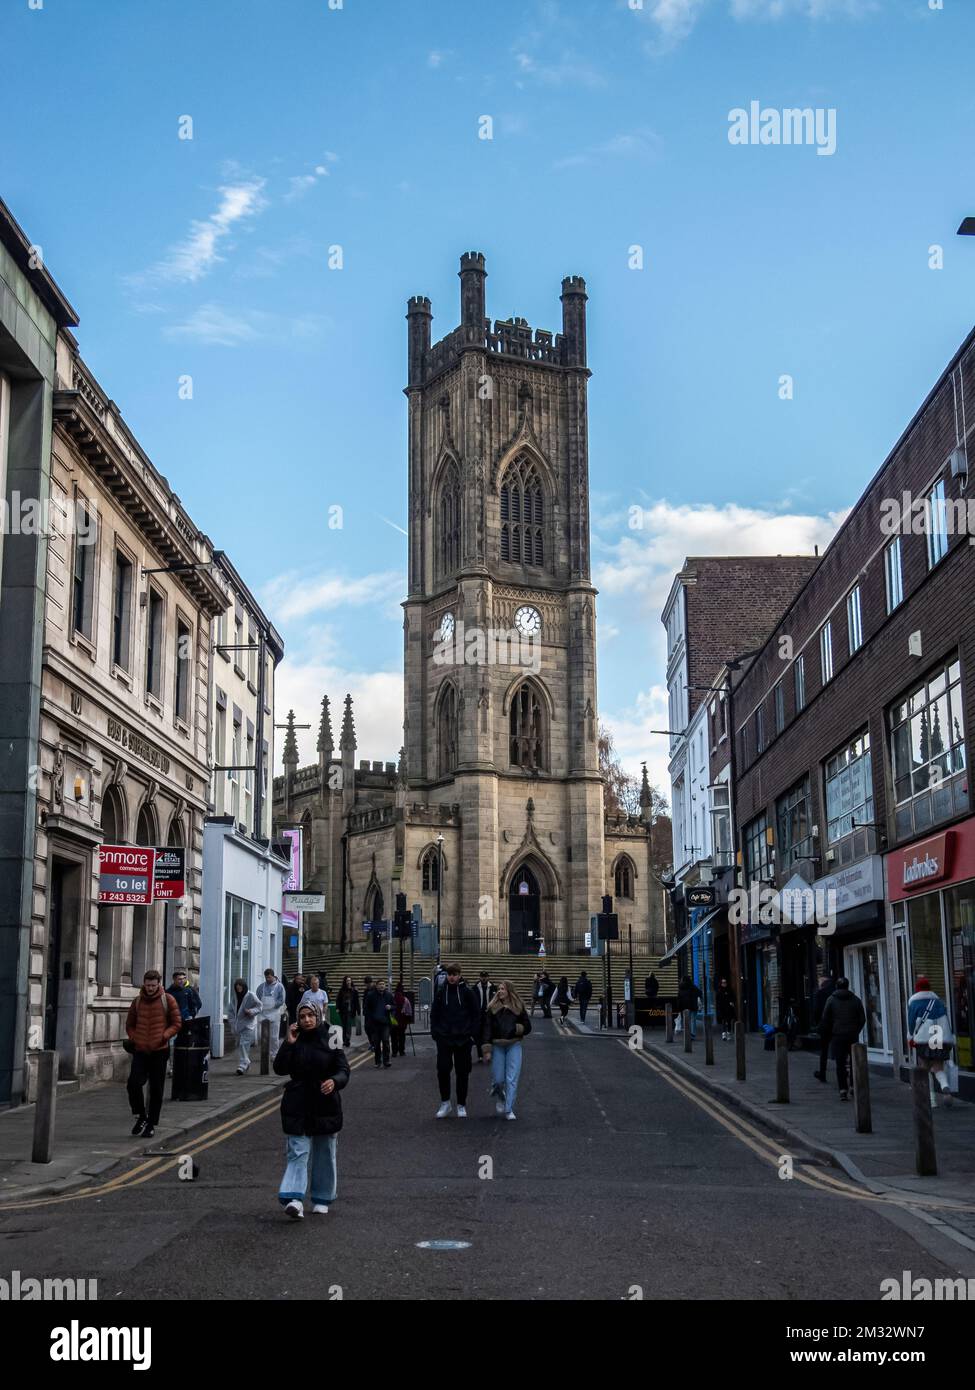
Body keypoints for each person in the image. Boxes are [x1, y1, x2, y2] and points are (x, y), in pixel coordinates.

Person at [274, 1001, 350, 1218]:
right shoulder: (294, 1037)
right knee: (297, 1151)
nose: (306, 1020)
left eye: (310, 1015)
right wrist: (288, 1044)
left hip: (325, 1102)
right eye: (303, 1016)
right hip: (297, 1102)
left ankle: (322, 1197)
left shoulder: (332, 1034)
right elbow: (279, 1068)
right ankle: (294, 1199)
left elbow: (343, 1068)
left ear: (318, 1015)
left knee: (325, 1152)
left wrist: (335, 1081)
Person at [125, 969, 182, 1139]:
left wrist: (164, 1036)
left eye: (153, 985)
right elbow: (130, 1024)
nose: (150, 988)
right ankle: (141, 1116)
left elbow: (177, 1023)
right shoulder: (137, 1002)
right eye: (147, 985)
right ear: (144, 984)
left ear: (159, 984)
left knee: (157, 1089)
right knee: (133, 1084)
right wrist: (134, 1037)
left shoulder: (168, 999)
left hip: (160, 1051)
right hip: (141, 1050)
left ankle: (151, 1124)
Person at [431, 963, 480, 1118]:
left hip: (463, 1038)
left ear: (460, 975)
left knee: (462, 1072)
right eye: (449, 974)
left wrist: (472, 1034)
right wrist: (435, 1033)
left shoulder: (468, 992)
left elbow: (476, 1014)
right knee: (443, 1070)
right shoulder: (440, 992)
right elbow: (434, 1014)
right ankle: (445, 1103)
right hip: (444, 1037)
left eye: (454, 974)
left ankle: (461, 1104)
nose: (451, 977)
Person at [482, 981, 532, 1120]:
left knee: (512, 1079)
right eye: (499, 989)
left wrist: (518, 1029)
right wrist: (486, 1049)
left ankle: (509, 1109)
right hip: (498, 1045)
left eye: (503, 989)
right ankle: (499, 1095)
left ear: (509, 991)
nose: (500, 991)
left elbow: (528, 1026)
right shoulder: (492, 1008)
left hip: (513, 1045)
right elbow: (487, 1029)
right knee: (498, 1079)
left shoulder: (518, 1007)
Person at [908, 976, 955, 1108]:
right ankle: (945, 1088)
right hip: (939, 1036)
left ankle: (931, 1100)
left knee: (924, 1069)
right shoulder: (939, 1002)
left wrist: (911, 1037)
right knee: (938, 1067)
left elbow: (911, 1024)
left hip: (923, 1039)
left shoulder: (914, 1004)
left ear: (917, 990)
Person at [819, 976, 866, 1100]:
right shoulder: (856, 1000)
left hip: (838, 1035)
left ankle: (842, 1090)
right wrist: (856, 1030)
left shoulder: (831, 999)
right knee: (853, 1062)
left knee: (840, 1063)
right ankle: (853, 1086)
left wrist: (831, 1030)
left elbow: (825, 1018)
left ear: (836, 986)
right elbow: (862, 1018)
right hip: (852, 1035)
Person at [231, 978, 263, 1075]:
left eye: (240, 987)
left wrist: (251, 1011)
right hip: (238, 1025)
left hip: (249, 1025)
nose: (238, 989)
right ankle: (246, 1062)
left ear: (244, 986)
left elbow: (260, 1006)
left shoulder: (251, 995)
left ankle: (242, 1066)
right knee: (240, 1045)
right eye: (237, 987)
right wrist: (232, 1022)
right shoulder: (235, 997)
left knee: (243, 1044)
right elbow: (230, 1010)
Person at [257, 968, 287, 1063]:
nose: (268, 979)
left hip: (274, 1013)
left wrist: (274, 1005)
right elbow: (257, 998)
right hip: (263, 1014)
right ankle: (265, 1053)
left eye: (269, 977)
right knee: (262, 1035)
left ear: (273, 976)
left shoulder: (279, 987)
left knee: (274, 1036)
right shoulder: (261, 987)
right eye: (266, 977)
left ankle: (274, 1054)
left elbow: (282, 1000)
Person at [363, 976, 394, 1068]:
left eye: (383, 984)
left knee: (385, 1041)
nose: (382, 986)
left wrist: (391, 1007)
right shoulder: (370, 995)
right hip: (375, 1024)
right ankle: (377, 1061)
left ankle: (386, 1060)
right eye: (380, 984)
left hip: (385, 1023)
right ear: (376, 986)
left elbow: (394, 1006)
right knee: (376, 1044)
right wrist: (370, 1020)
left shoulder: (389, 995)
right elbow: (366, 1009)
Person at [812, 975, 836, 1082]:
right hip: (837, 1024)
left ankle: (822, 1073)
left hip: (825, 1025)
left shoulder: (820, 993)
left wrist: (817, 1023)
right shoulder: (835, 991)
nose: (818, 983)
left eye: (819, 981)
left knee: (824, 1050)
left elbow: (816, 1010)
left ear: (823, 981)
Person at [473, 972, 495, 1061]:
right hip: (478, 1013)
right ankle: (480, 1055)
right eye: (482, 977)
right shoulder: (475, 988)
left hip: (489, 1013)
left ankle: (488, 1053)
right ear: (479, 977)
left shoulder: (493, 987)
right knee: (478, 1035)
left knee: (488, 1034)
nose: (484, 979)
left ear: (488, 977)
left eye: (485, 977)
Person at [336, 975, 360, 1048]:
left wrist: (358, 1010)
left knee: (348, 1026)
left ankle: (347, 1040)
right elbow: (338, 999)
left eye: (349, 980)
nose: (348, 982)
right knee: (344, 1026)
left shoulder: (354, 990)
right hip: (343, 1011)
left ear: (351, 981)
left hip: (351, 1011)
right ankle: (344, 1040)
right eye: (347, 980)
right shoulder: (342, 990)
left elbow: (357, 1001)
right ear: (345, 982)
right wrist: (337, 1008)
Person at [391, 980, 412, 1057]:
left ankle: (394, 1052)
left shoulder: (392, 997)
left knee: (394, 1036)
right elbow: (409, 1011)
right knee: (401, 1035)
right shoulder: (405, 999)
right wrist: (409, 1020)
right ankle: (402, 1051)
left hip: (393, 1020)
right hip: (402, 1020)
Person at [715, 977, 736, 1041]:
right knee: (723, 1021)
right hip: (722, 1008)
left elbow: (733, 997)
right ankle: (724, 1034)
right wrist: (718, 1008)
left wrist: (731, 1002)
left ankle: (729, 1033)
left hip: (729, 1008)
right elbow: (717, 1000)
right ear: (721, 983)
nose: (724, 984)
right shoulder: (719, 991)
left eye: (725, 982)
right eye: (723, 982)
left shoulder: (729, 990)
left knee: (729, 1021)